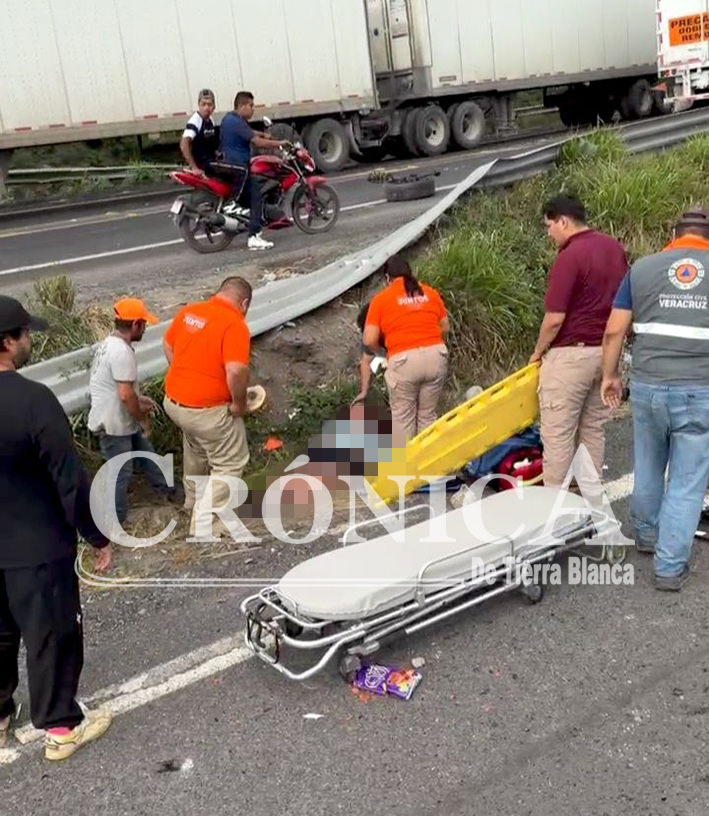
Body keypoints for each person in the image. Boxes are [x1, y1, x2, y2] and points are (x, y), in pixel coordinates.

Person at [0, 295, 112, 760]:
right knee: (51, 634)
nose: (30, 340)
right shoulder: (34, 401)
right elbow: (69, 480)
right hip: (37, 546)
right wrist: (96, 535)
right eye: (26, 333)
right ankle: (61, 726)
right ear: (8, 342)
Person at [601, 208, 709, 591]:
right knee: (687, 481)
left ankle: (647, 536)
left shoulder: (642, 269)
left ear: (673, 234)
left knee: (648, 463)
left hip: (648, 386)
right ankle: (669, 567)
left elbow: (614, 331)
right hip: (699, 388)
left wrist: (611, 376)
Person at [530, 194, 628, 492]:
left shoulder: (569, 256)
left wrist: (537, 352)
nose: (549, 233)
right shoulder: (613, 248)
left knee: (558, 434)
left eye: (549, 226)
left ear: (563, 221)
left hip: (571, 357)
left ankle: (555, 505)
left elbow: (554, 319)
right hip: (607, 354)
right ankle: (591, 496)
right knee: (592, 429)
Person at [163, 277, 253, 536]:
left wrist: (186, 379)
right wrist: (238, 404)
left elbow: (167, 344)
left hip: (176, 404)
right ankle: (205, 522)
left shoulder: (190, 311)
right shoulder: (234, 324)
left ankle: (192, 502)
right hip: (207, 412)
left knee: (197, 451)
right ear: (244, 303)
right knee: (230, 462)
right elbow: (235, 370)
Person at [88, 298, 176, 525]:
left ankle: (170, 492)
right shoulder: (121, 352)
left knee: (147, 454)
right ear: (135, 324)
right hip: (113, 423)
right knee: (120, 473)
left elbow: (121, 389)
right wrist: (142, 418)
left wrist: (139, 400)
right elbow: (125, 395)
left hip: (118, 418)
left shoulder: (109, 344)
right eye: (144, 324)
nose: (145, 329)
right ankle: (113, 522)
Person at [353, 256, 449, 440]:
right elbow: (445, 327)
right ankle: (431, 457)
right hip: (436, 355)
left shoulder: (381, 300)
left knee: (403, 422)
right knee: (427, 417)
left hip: (404, 361)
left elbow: (369, 339)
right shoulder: (430, 292)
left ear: (387, 278)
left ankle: (406, 460)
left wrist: (385, 353)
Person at [219, 91, 287, 251]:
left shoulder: (231, 119)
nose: (253, 108)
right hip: (238, 168)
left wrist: (264, 134)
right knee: (256, 195)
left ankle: (249, 225)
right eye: (251, 105)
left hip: (233, 165)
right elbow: (257, 142)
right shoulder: (236, 122)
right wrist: (279, 143)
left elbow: (249, 133)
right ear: (241, 106)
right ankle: (253, 235)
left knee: (254, 195)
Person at [180, 88, 219, 176]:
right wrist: (194, 167)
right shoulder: (195, 121)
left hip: (210, 162)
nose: (206, 108)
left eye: (209, 104)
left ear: (214, 106)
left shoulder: (210, 120)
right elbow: (184, 144)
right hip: (202, 165)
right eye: (203, 104)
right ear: (199, 105)